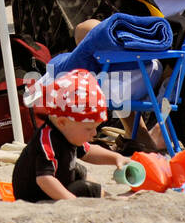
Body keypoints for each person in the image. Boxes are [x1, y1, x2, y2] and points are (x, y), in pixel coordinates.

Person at [11, 70, 127, 202]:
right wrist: (72, 201)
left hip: (58, 182)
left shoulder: (69, 132)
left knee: (79, 170)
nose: (94, 133)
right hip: (35, 194)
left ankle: (105, 195)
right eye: (89, 128)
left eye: (96, 128)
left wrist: (116, 158)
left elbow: (88, 152)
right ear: (62, 122)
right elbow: (44, 179)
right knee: (85, 187)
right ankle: (103, 196)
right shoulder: (47, 141)